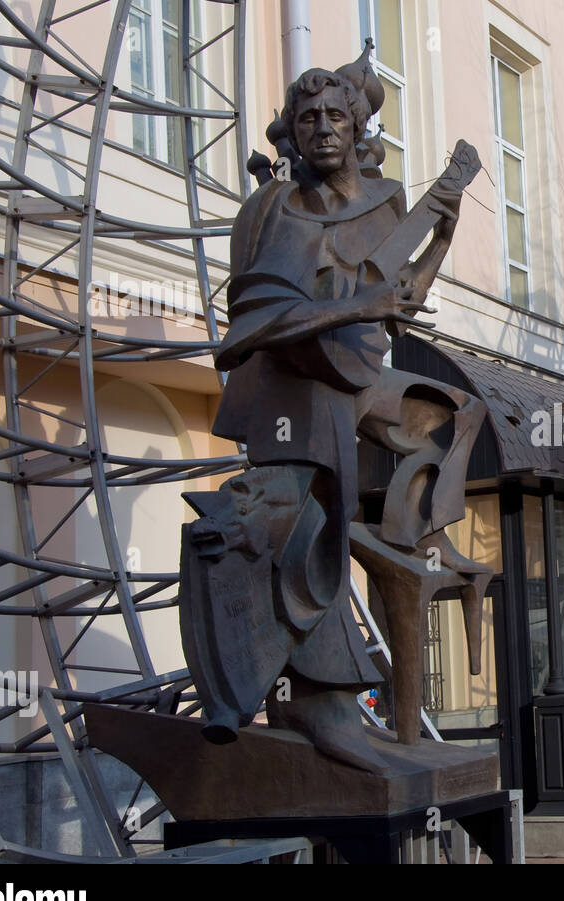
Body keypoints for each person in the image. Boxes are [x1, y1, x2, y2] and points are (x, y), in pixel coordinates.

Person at [185, 44, 485, 770]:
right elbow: (248, 330)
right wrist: (359, 305)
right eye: (307, 118)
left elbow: (398, 302)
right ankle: (309, 703)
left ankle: (406, 549)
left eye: (334, 116)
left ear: (357, 127)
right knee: (295, 528)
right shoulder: (277, 211)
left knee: (451, 417)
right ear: (293, 132)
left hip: (346, 380)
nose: (321, 128)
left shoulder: (386, 202)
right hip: (288, 389)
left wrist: (441, 234)